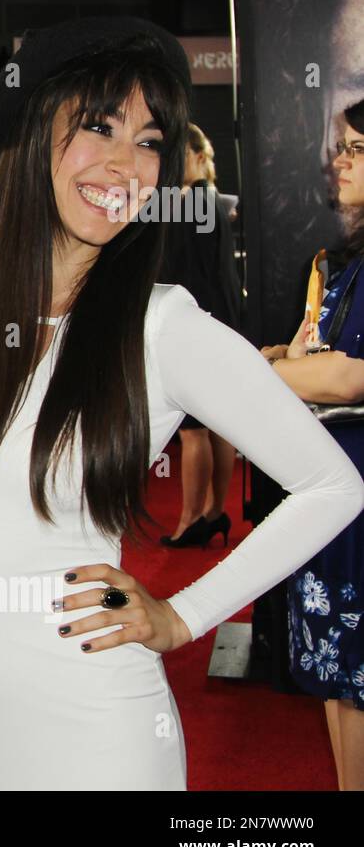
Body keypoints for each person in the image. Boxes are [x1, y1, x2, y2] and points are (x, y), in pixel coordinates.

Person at [0, 18, 364, 790]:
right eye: (98, 127)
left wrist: (180, 615)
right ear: (26, 137)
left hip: (97, 731)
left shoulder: (162, 324)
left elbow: (333, 484)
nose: (128, 164)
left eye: (150, 141)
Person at [263, 99, 364, 790]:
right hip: (328, 482)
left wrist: (270, 370)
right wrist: (282, 365)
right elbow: (311, 355)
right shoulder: (338, 260)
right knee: (334, 669)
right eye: (343, 146)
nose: (341, 160)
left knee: (355, 671)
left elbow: (346, 374)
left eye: (359, 149)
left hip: (358, 483)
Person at [158, 123, 243, 546]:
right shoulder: (212, 200)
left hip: (196, 325)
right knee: (217, 426)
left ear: (193, 154)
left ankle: (191, 520)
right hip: (220, 323)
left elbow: (184, 276)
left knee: (193, 430)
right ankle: (214, 512)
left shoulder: (192, 203)